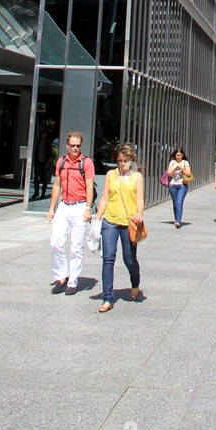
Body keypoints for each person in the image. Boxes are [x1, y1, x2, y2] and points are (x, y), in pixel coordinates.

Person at [95, 143, 144, 312]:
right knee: (108, 258)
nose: (122, 164)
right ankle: (107, 298)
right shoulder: (110, 175)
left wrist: (139, 213)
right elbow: (104, 197)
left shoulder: (137, 177)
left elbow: (139, 199)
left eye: (125, 161)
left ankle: (135, 283)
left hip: (128, 223)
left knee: (129, 259)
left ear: (131, 160)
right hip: (110, 220)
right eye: (119, 161)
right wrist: (97, 218)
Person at [48, 131, 95, 292]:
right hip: (64, 205)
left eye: (78, 146)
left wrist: (88, 209)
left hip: (80, 206)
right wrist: (51, 208)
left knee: (76, 246)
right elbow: (57, 185)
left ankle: (72, 281)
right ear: (67, 146)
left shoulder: (86, 163)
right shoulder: (61, 162)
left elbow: (90, 186)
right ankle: (61, 275)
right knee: (55, 242)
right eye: (72, 145)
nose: (75, 148)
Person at [166, 147, 192, 227]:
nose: (178, 157)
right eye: (177, 155)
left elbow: (188, 174)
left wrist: (182, 169)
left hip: (182, 185)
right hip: (173, 185)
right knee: (175, 203)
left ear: (182, 155)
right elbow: (169, 174)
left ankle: (178, 221)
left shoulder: (185, 162)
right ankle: (176, 218)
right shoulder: (172, 162)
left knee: (179, 202)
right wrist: (174, 169)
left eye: (180, 155)